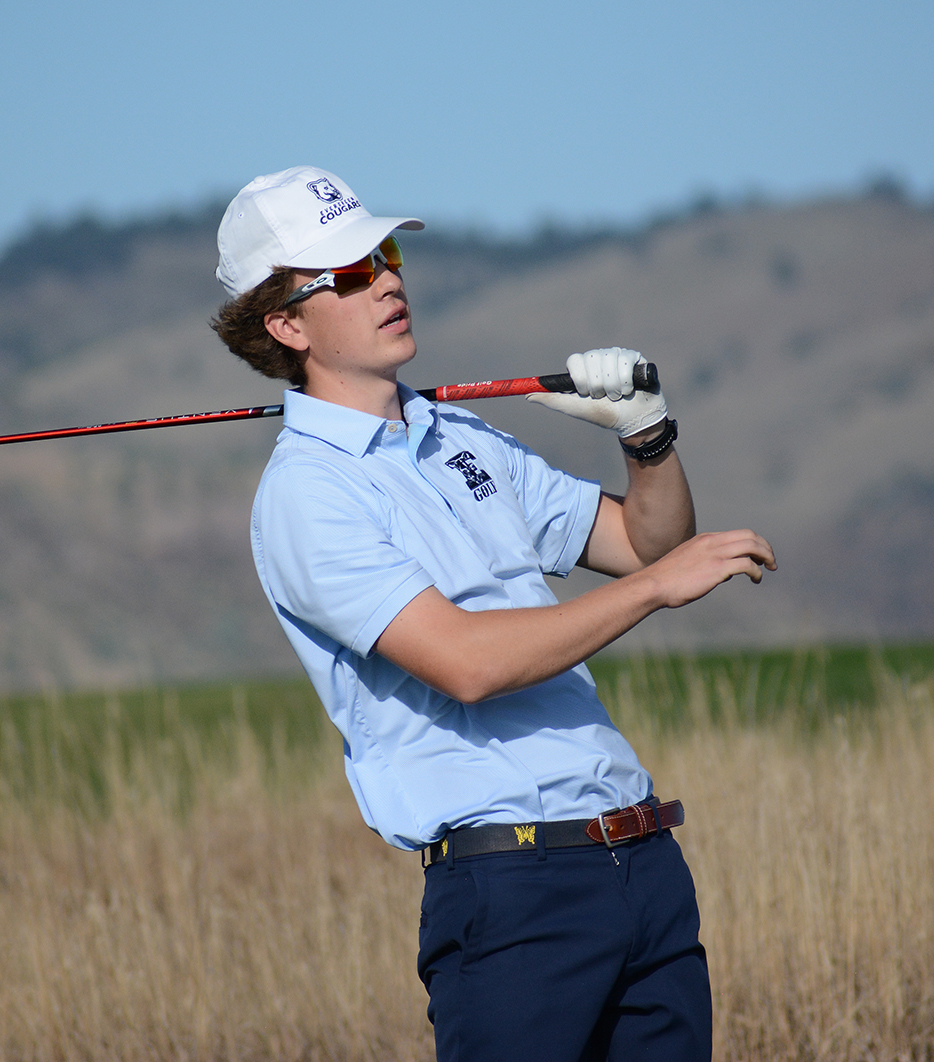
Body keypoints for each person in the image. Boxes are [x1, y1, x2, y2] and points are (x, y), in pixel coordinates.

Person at [210, 166, 775, 1062]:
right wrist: (652, 594)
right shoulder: (306, 496)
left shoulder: (464, 438)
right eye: (350, 274)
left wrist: (648, 436)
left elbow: (646, 543)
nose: (390, 279)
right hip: (513, 893)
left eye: (386, 254)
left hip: (641, 862)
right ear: (285, 324)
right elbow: (467, 662)